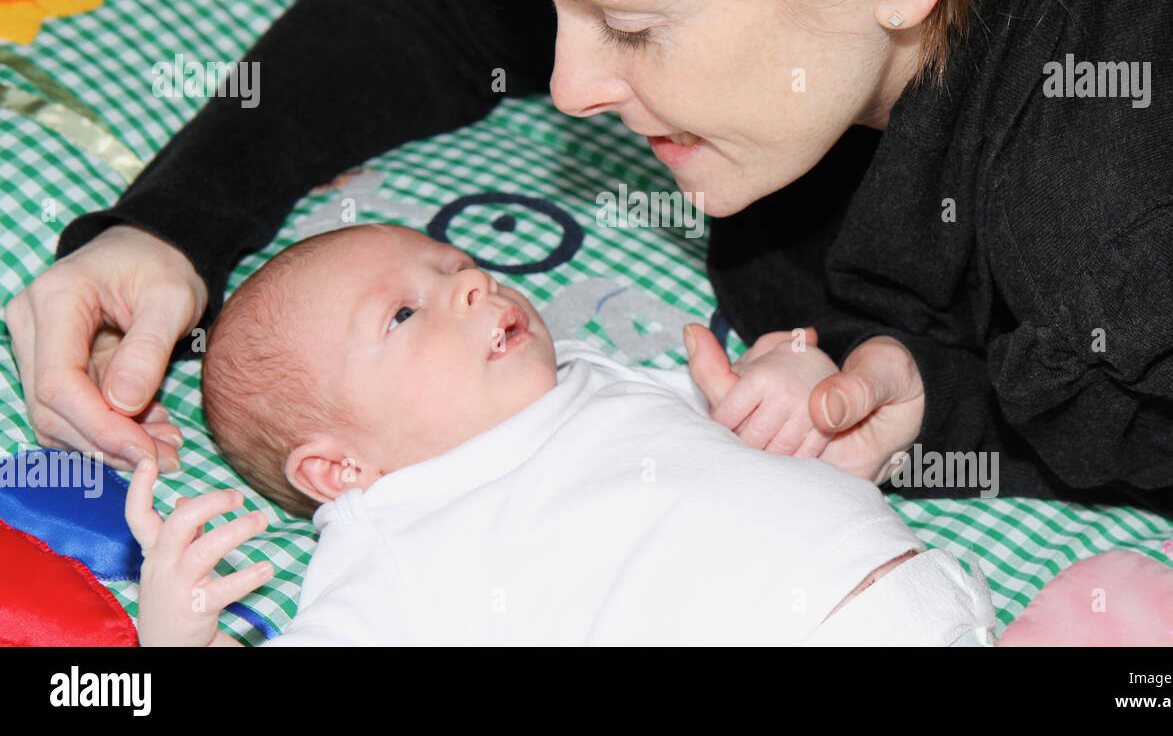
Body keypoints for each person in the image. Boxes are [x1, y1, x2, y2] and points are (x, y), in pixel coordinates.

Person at [7, 0, 1173, 534]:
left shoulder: (1135, 248)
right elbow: (444, 11)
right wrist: (169, 224)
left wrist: (954, 415)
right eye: (562, 4)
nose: (567, 89)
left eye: (629, 30)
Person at [125, 221, 996, 646]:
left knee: (1115, 591)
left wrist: (797, 378)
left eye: (457, 267)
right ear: (338, 466)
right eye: (401, 313)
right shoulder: (392, 540)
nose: (473, 285)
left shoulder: (596, 372)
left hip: (935, 599)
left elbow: (760, 433)